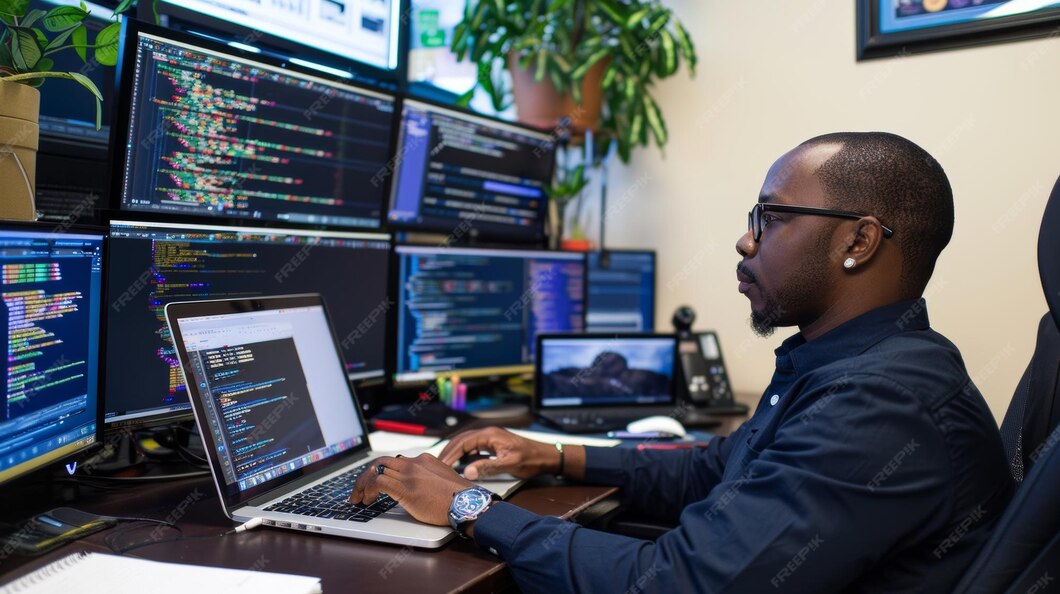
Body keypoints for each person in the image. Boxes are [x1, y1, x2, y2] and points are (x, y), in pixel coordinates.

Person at [350, 132, 1014, 592]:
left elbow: (674, 583)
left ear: (859, 241)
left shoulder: (878, 404)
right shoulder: (848, 363)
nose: (746, 237)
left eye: (773, 216)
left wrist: (467, 504)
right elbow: (721, 466)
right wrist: (554, 456)